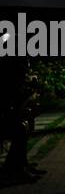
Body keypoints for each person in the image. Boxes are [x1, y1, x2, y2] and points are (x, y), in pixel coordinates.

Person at [0, 50, 46, 184]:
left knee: (24, 127)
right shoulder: (9, 69)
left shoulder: (15, 65)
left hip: (11, 109)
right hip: (6, 112)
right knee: (20, 130)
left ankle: (21, 165)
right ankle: (17, 169)